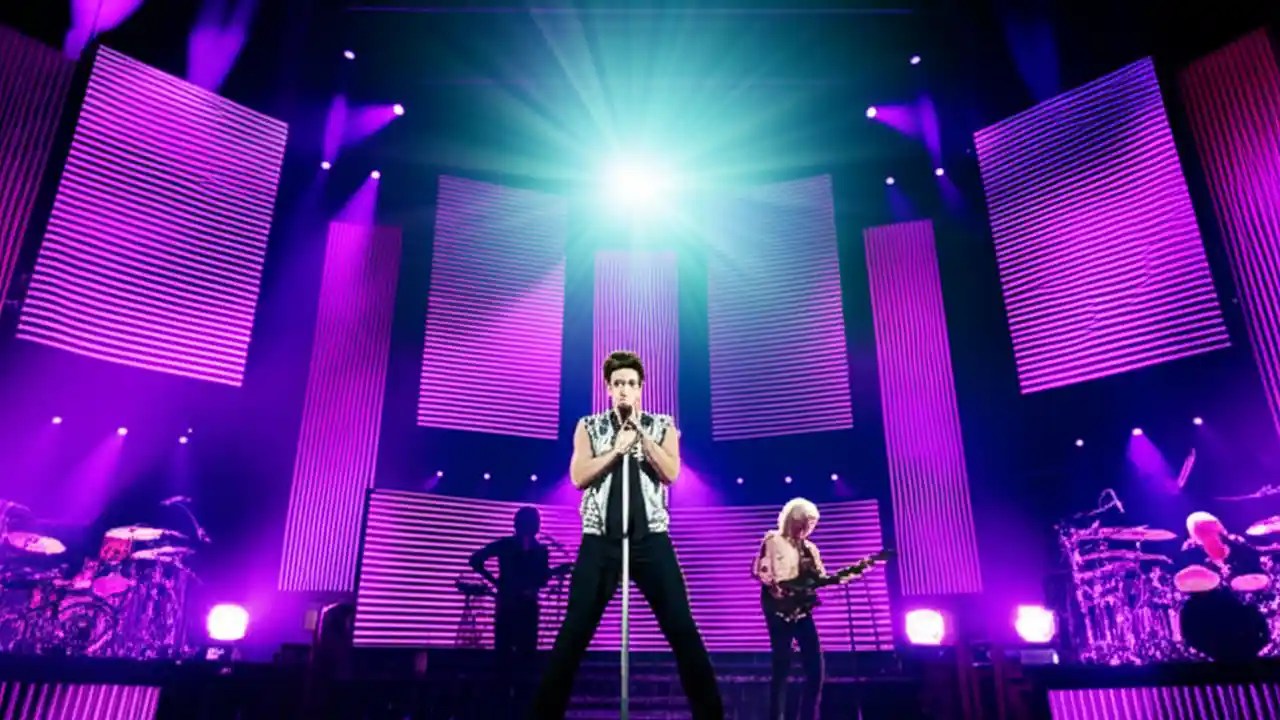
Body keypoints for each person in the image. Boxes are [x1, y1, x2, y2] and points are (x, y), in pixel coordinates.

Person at [531, 350, 723, 719]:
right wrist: (615, 451)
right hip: (600, 541)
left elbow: (670, 473)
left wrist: (642, 440)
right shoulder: (589, 426)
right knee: (573, 633)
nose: (624, 390)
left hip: (650, 541)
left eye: (631, 384)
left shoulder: (662, 425)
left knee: (682, 628)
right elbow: (578, 476)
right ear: (608, 388)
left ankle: (712, 715)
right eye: (617, 384)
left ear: (640, 390)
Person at [752, 498, 833, 720]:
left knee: (816, 670)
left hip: (802, 611)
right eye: (806, 523)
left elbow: (820, 577)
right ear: (793, 520)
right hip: (779, 610)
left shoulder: (811, 549)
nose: (808, 529)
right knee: (782, 667)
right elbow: (761, 571)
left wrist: (836, 579)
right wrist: (778, 587)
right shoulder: (773, 540)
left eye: (812, 525)